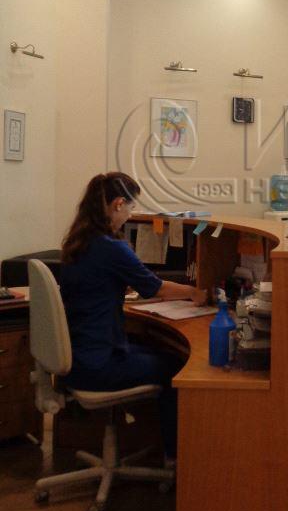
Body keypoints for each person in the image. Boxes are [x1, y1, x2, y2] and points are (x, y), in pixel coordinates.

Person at [59, 172, 207, 462]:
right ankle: (175, 459)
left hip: (79, 357)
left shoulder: (78, 241)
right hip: (99, 364)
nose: (130, 214)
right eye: (130, 207)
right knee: (177, 367)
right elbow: (156, 287)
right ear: (118, 204)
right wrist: (194, 293)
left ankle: (157, 445)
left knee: (158, 352)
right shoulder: (112, 248)